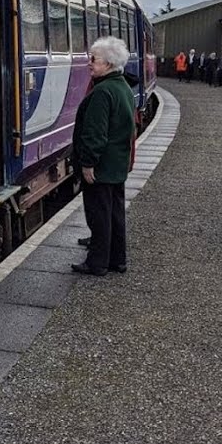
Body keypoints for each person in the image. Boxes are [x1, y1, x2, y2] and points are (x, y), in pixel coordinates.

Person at [71, 36, 137, 276]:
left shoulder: (102, 92)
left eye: (93, 59)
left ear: (107, 64)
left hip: (101, 165)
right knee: (116, 214)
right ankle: (117, 260)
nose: (89, 63)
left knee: (100, 215)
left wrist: (88, 163)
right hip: (117, 163)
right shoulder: (123, 87)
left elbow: (94, 133)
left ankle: (96, 263)